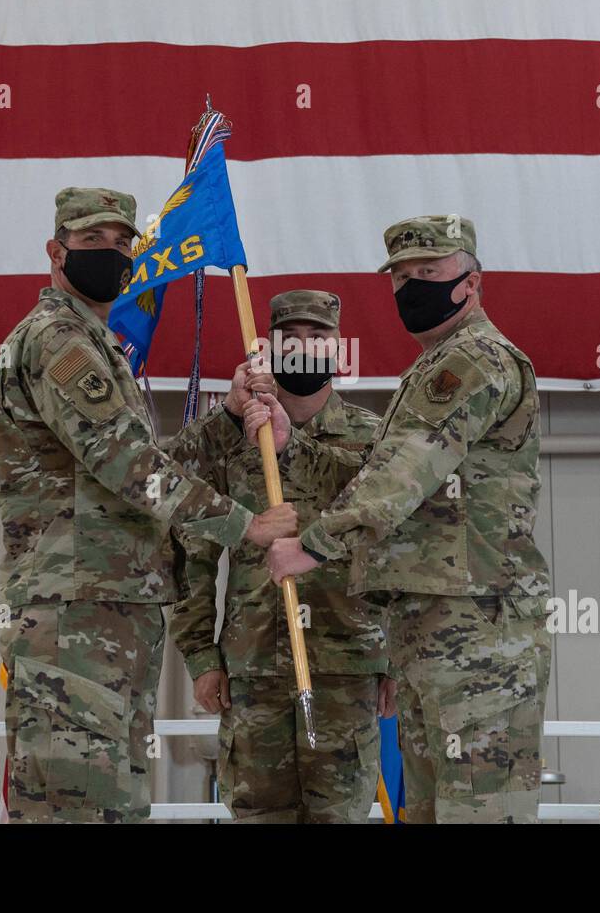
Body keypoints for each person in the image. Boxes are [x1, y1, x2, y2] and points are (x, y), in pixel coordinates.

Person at [0, 186, 296, 823]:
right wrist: (247, 527)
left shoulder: (98, 345)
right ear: (55, 251)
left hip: (113, 605)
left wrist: (230, 415)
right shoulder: (58, 342)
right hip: (76, 613)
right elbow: (130, 467)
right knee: (78, 807)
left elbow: (143, 461)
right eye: (91, 242)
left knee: (115, 806)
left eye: (121, 243)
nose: (111, 253)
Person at [252, 215, 551, 823]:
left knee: (480, 811)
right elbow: (383, 468)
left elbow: (404, 473)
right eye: (402, 276)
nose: (412, 286)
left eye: (429, 273)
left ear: (471, 282)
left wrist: (313, 545)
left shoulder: (472, 360)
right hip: (430, 622)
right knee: (433, 810)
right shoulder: (433, 366)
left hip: (476, 625)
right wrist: (294, 445)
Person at [168, 290, 395, 822]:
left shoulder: (375, 438)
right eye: (290, 339)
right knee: (258, 814)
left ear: (339, 352)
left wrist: (397, 660)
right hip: (254, 666)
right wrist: (201, 657)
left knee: (340, 815)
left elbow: (395, 550)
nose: (303, 348)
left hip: (348, 665)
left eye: (317, 338)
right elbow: (191, 553)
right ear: (267, 352)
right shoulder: (230, 440)